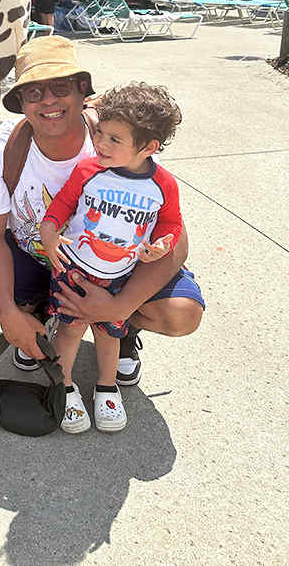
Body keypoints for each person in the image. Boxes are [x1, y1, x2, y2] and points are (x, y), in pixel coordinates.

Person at [0, 36, 204, 391]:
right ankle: (38, 318)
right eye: (34, 92)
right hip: (37, 259)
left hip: (115, 267)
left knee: (182, 314)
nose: (49, 100)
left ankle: (121, 329)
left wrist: (120, 305)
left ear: (82, 91)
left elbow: (176, 240)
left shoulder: (118, 134)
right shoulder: (4, 146)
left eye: (60, 87)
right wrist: (10, 312)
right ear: (21, 102)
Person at [40, 83, 183, 434]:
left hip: (121, 274)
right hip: (75, 268)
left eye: (114, 140)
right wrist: (48, 230)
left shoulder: (163, 184)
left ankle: (107, 386)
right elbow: (60, 206)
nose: (101, 144)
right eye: (100, 134)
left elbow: (171, 223)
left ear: (149, 147)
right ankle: (65, 385)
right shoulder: (89, 172)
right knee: (71, 329)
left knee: (109, 333)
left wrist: (164, 244)